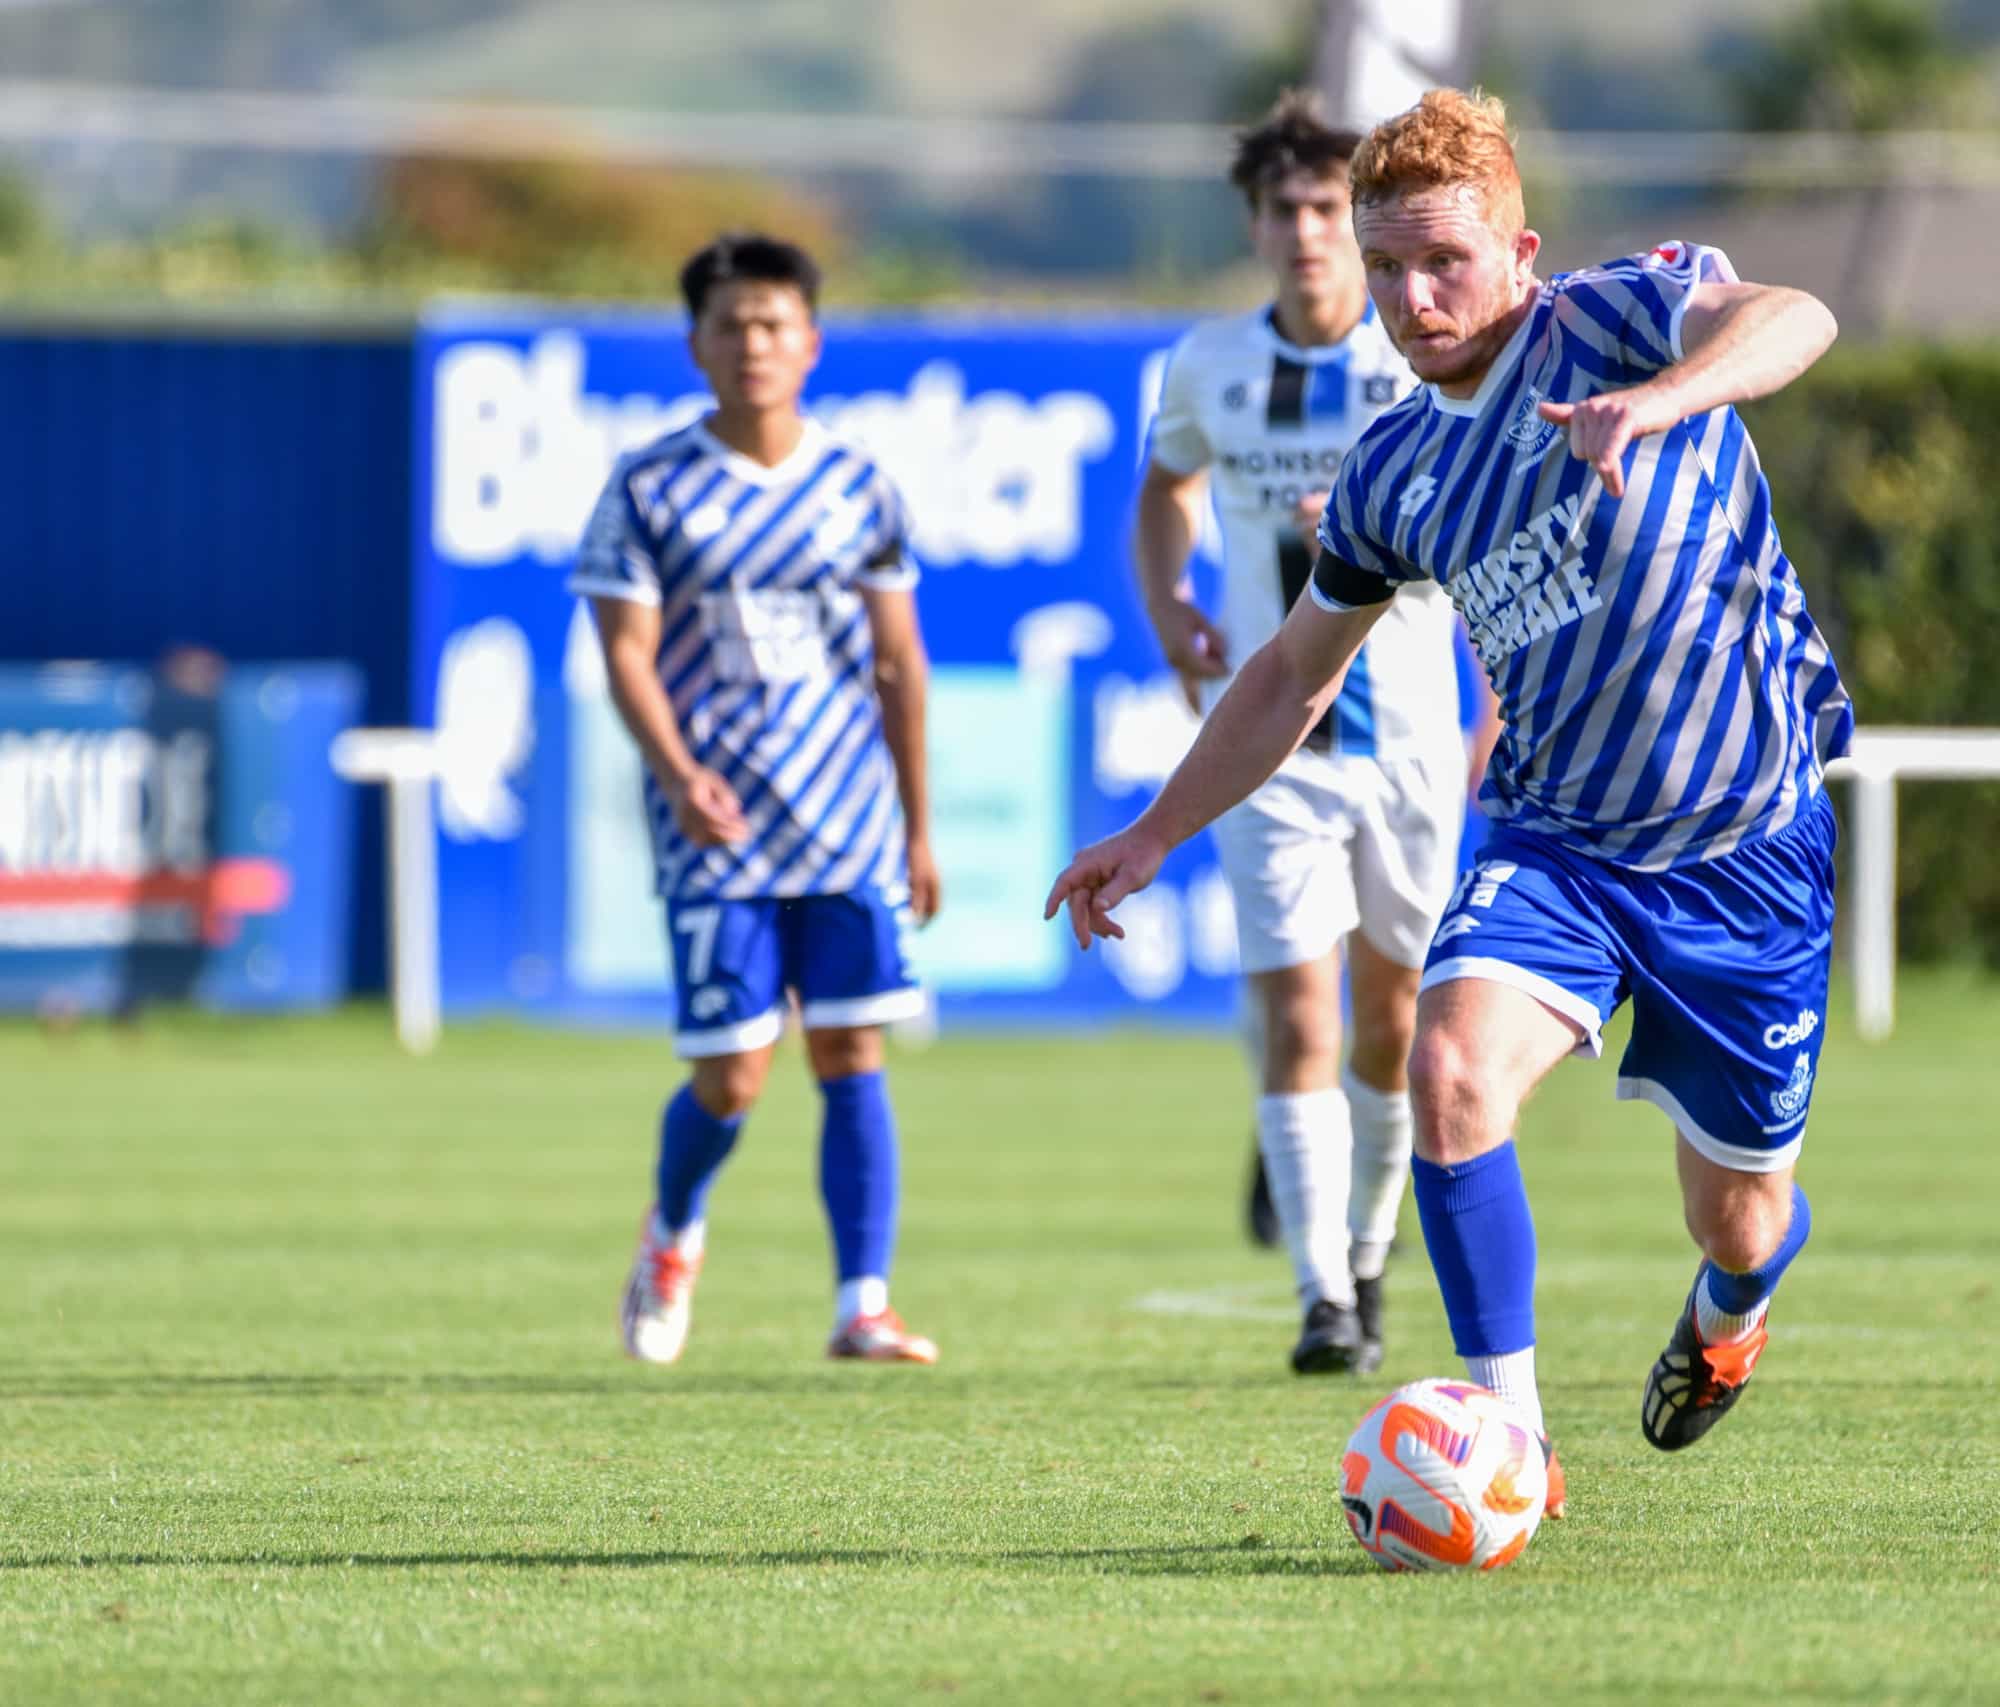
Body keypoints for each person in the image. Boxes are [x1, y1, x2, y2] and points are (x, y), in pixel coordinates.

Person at [1049, 89, 1852, 1520]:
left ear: (1519, 252)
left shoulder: (1617, 318)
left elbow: (1798, 317)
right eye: (1387, 267)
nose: (1413, 300)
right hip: (1558, 845)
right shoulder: (1392, 469)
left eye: (1444, 262)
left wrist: (1661, 398)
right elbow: (1287, 675)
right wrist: (1153, 831)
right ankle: (1512, 1445)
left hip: (1745, 849)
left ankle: (1731, 1311)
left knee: (1735, 1217)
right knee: (1447, 1070)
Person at [1135, 91, 1491, 1377]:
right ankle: (1321, 1296)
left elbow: (1488, 518)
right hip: (1274, 750)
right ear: (1252, 223)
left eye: (1324, 208)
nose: (1302, 230)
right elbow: (1164, 487)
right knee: (1296, 1017)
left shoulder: (1419, 357)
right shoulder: (1207, 365)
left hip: (1408, 741)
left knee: (1391, 1027)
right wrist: (1168, 604)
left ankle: (1368, 1247)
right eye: (1280, 208)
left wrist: (1371, 528)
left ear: (1359, 222)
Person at [571, 232, 943, 1367]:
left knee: (851, 1051)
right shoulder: (649, 486)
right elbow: (625, 652)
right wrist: (678, 772)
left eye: (773, 324)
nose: (752, 344)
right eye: (730, 325)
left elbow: (899, 661)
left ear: (810, 343)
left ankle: (862, 1303)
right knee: (732, 1072)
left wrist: (918, 825)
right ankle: (673, 1229)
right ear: (695, 344)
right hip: (717, 827)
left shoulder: (858, 485)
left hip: (846, 824)